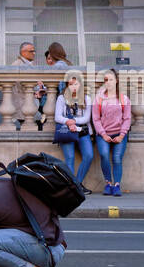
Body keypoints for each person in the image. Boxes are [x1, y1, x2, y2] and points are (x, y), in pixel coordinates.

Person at [92, 67, 132, 196]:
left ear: (116, 81)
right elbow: (96, 119)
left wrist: (121, 135)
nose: (108, 82)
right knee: (104, 154)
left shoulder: (123, 99)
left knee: (116, 158)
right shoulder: (99, 98)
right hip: (103, 133)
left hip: (119, 133)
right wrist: (103, 134)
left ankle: (116, 186)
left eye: (110, 79)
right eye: (105, 80)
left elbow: (127, 119)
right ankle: (108, 184)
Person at [54, 72, 94, 184]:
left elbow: (86, 118)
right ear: (67, 85)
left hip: (82, 131)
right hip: (67, 131)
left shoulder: (86, 98)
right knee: (70, 158)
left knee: (89, 156)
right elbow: (57, 117)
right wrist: (68, 122)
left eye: (76, 84)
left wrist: (74, 121)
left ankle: (77, 184)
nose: (73, 87)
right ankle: (72, 186)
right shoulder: (62, 98)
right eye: (70, 84)